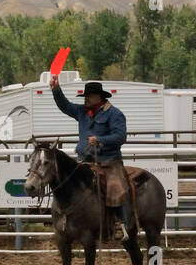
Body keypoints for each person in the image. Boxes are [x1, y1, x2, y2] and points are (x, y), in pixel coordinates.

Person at [50, 75, 135, 242]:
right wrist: (56, 90)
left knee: (115, 186)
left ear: (99, 97)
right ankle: (65, 221)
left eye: (88, 96)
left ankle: (122, 223)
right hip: (85, 162)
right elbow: (65, 106)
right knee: (67, 184)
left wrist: (100, 140)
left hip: (109, 162)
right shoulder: (82, 112)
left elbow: (120, 137)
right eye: (85, 96)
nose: (86, 99)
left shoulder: (115, 114)